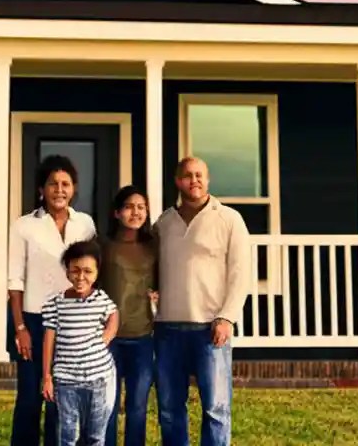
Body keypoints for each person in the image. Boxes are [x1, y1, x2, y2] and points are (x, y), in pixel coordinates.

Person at [153, 156, 250, 446]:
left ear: (207, 180)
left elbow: (240, 272)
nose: (193, 180)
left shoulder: (229, 219)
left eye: (199, 175)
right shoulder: (163, 222)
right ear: (177, 181)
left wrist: (227, 316)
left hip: (210, 329)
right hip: (167, 329)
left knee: (216, 409)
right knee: (170, 410)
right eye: (187, 175)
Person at [9, 155, 98, 445]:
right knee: (30, 398)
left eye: (65, 184)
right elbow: (15, 280)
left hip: (73, 320)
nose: (59, 190)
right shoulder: (24, 226)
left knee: (63, 399)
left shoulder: (85, 224)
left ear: (73, 189)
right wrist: (20, 327)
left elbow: (94, 270)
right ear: (41, 189)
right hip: (35, 320)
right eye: (52, 184)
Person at [41, 239, 120, 446]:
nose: (81, 277)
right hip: (66, 380)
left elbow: (114, 315)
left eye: (88, 271)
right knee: (68, 436)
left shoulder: (101, 299)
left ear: (96, 273)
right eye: (75, 270)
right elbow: (49, 340)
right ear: (67, 271)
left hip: (99, 379)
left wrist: (106, 337)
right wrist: (47, 377)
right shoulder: (55, 303)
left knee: (96, 435)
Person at [100, 186, 158, 446]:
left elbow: (164, 282)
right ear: (116, 212)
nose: (135, 212)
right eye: (129, 206)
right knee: (108, 405)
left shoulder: (153, 247)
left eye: (141, 207)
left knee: (137, 406)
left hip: (142, 337)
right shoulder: (103, 246)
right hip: (108, 339)